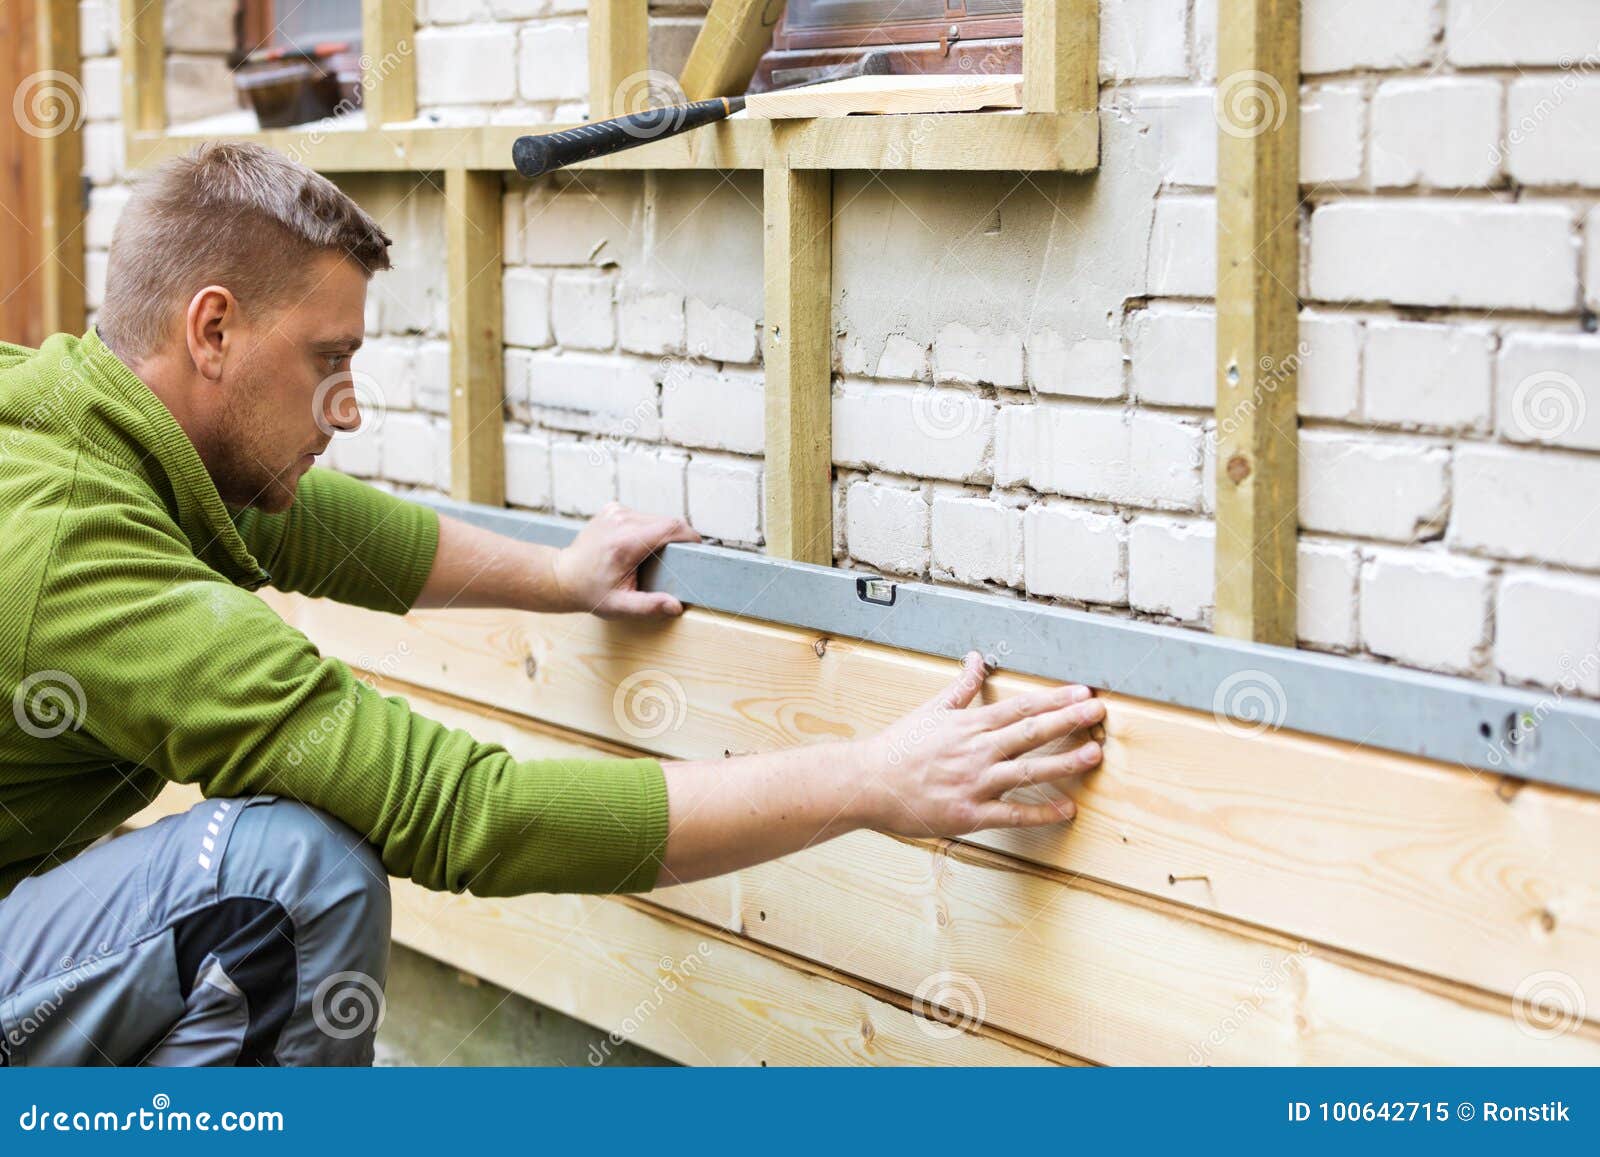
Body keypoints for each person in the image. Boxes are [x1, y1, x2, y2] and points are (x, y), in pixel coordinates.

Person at [0, 142, 1105, 1066]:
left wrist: (557, 576)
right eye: (326, 357)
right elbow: (459, 815)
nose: (346, 407)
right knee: (284, 878)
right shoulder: (74, 550)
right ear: (212, 330)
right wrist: (866, 777)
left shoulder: (70, 421)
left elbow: (299, 522)